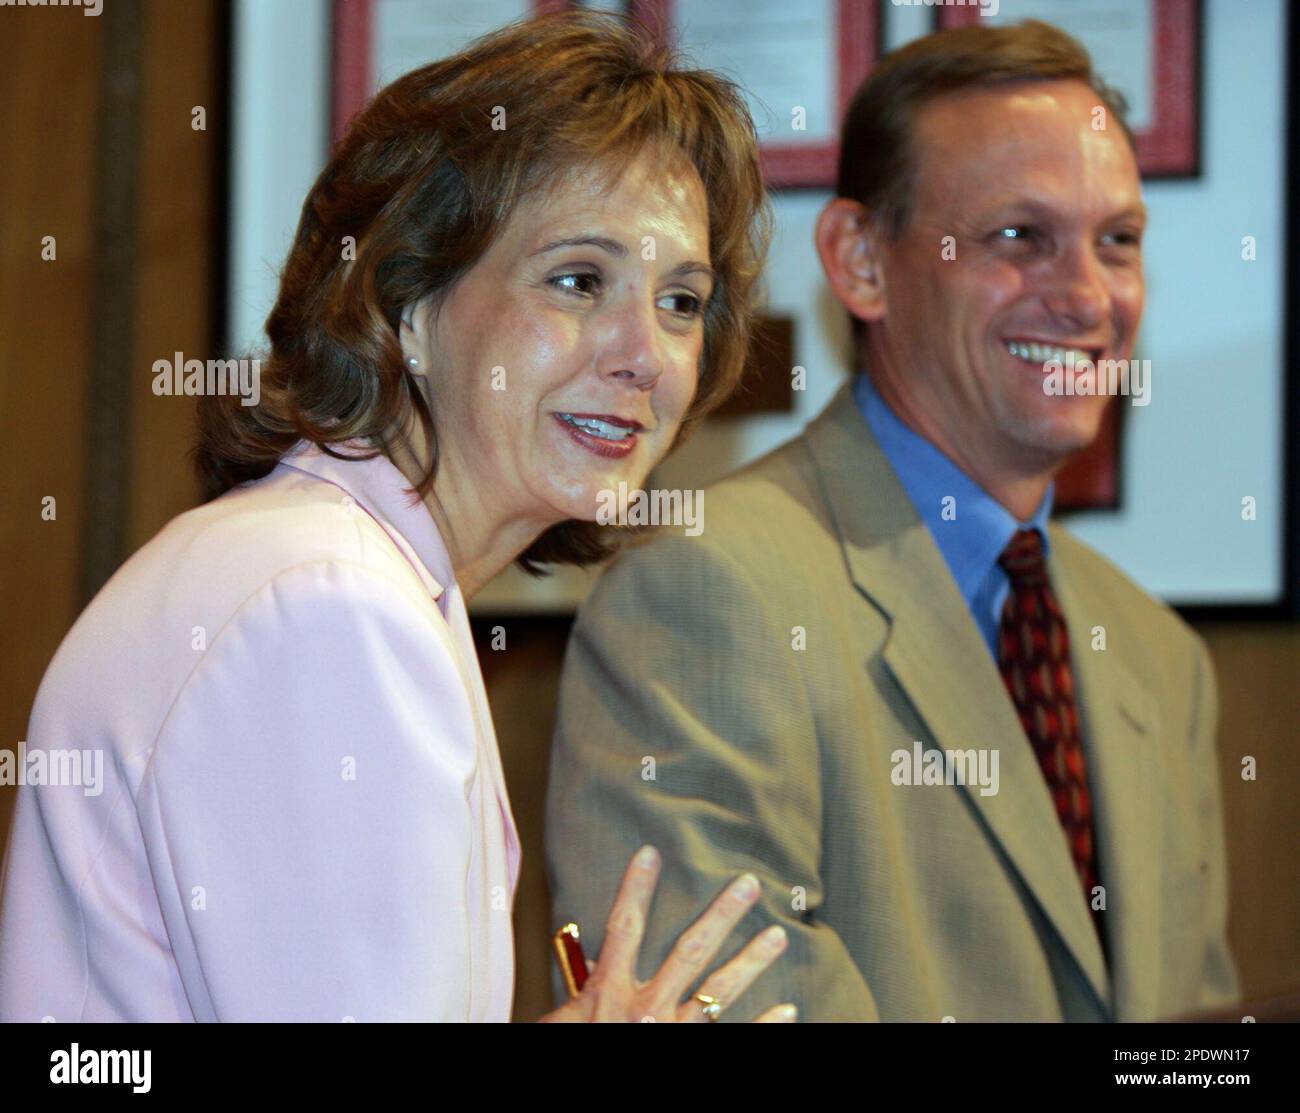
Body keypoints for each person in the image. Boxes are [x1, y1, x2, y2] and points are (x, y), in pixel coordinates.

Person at [0, 13, 796, 1023]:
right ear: (407, 308)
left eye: (682, 300)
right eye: (578, 281)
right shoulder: (331, 613)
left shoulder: (329, 570)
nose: (644, 352)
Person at [546, 20, 1239, 1021]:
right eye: (1019, 237)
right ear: (860, 259)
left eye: (1118, 242)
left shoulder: (1159, 658)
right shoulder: (701, 590)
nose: (1088, 296)